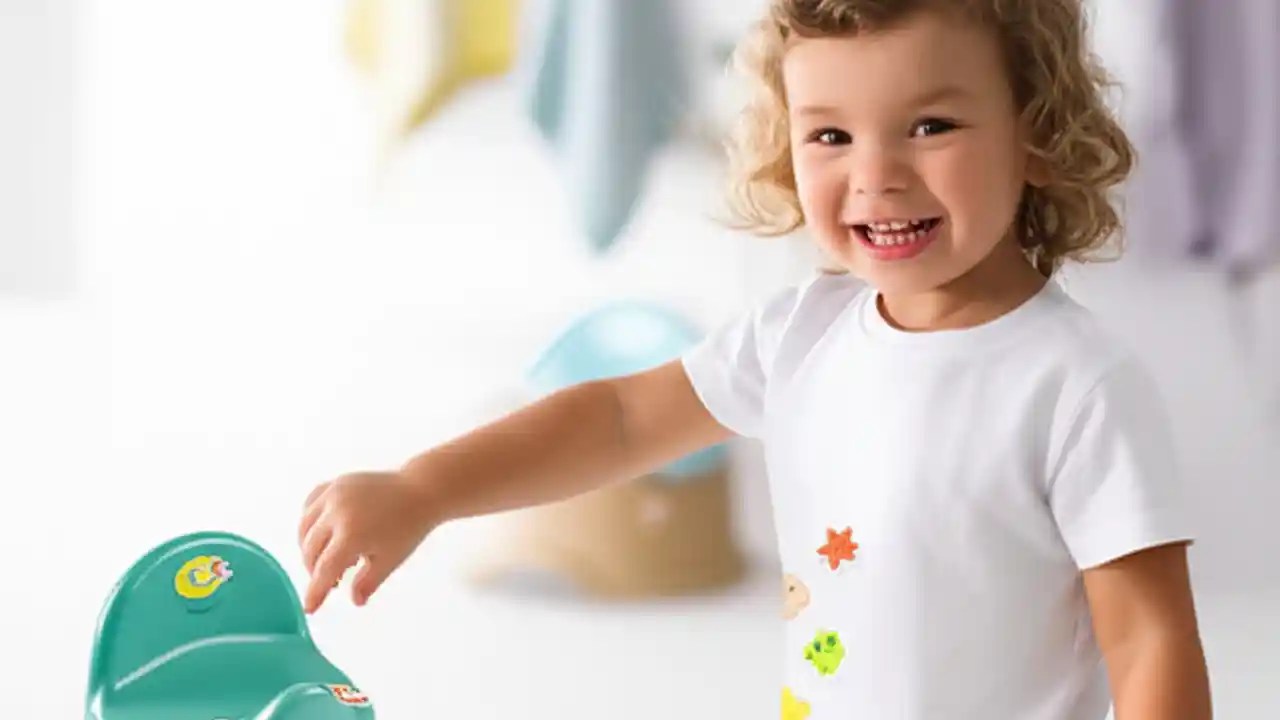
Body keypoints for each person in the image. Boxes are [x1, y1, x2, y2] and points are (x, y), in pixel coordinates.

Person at [297, 1, 1213, 717]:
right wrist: (425, 489)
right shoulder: (799, 334)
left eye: (930, 126)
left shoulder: (1077, 387)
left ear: (1039, 135)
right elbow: (617, 419)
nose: (876, 173)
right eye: (831, 134)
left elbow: (1147, 643)